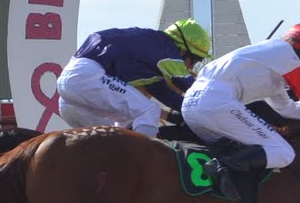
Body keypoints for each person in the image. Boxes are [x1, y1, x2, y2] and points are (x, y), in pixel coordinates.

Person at [181, 22, 300, 171]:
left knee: (242, 148)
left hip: (191, 106)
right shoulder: (290, 61)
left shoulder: (271, 58)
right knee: (283, 153)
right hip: (215, 104)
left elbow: (288, 109)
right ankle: (219, 168)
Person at [55, 19, 212, 137]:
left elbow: (164, 93)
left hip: (68, 99)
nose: (191, 67)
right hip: (86, 78)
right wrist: (213, 113)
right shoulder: (167, 50)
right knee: (148, 111)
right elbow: (189, 87)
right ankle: (145, 165)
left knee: (123, 129)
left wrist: (180, 115)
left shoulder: (151, 53)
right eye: (196, 60)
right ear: (183, 49)